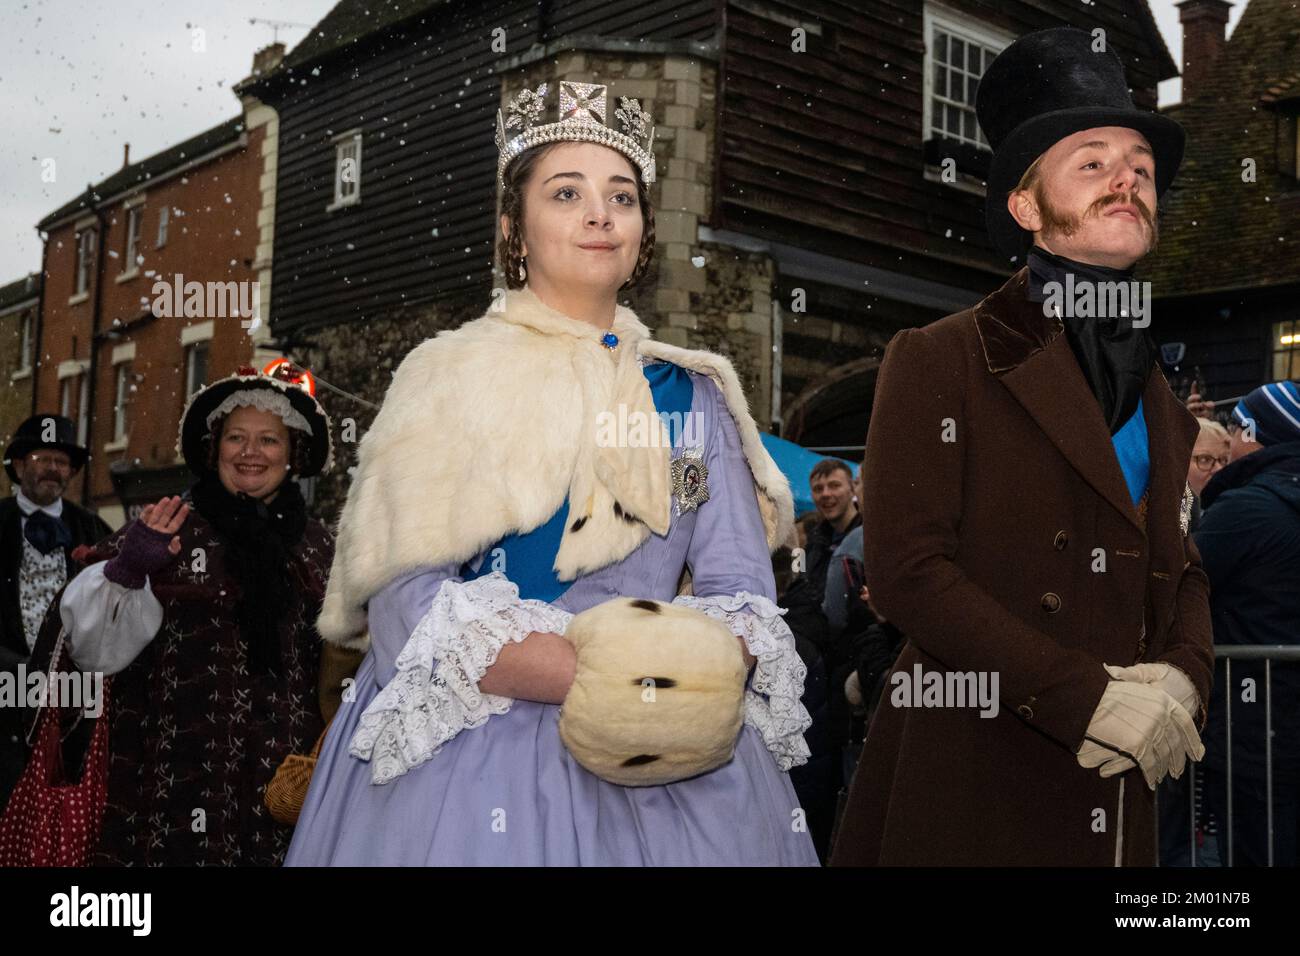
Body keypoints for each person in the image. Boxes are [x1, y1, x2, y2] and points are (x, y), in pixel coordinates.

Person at [285, 81, 817, 866]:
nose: (601, 215)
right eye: (566, 193)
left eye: (622, 196)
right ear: (514, 230)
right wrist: (596, 676)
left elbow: (740, 586)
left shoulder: (693, 396)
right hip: (477, 757)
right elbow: (409, 602)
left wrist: (680, 681)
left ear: (641, 230)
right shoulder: (446, 376)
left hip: (674, 763)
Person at [831, 28, 1213, 866]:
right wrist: (1080, 697)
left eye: (1141, 167)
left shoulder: (1157, 387)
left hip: (1119, 789)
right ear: (1027, 209)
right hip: (976, 767)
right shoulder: (940, 357)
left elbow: (1179, 564)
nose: (1128, 178)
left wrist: (1186, 675)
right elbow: (908, 573)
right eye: (1092, 161)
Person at [27, 365, 337, 865]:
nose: (251, 452)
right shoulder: (166, 524)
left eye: (268, 440)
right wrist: (128, 568)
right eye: (236, 437)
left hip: (283, 789)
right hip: (167, 783)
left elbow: (350, 662)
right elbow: (89, 650)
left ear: (293, 452)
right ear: (216, 448)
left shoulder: (322, 546)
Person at [1195, 381, 1300, 865]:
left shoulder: (1248, 508)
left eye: (1237, 428)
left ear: (1255, 434)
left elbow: (1177, 578)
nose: (1230, 442)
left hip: (1254, 730)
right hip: (1274, 725)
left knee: (1252, 850)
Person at [0, 415, 111, 807]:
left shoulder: (94, 530)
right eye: (42, 458)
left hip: (72, 697)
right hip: (4, 690)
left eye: (61, 461)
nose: (52, 468)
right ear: (17, 466)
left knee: (63, 807)